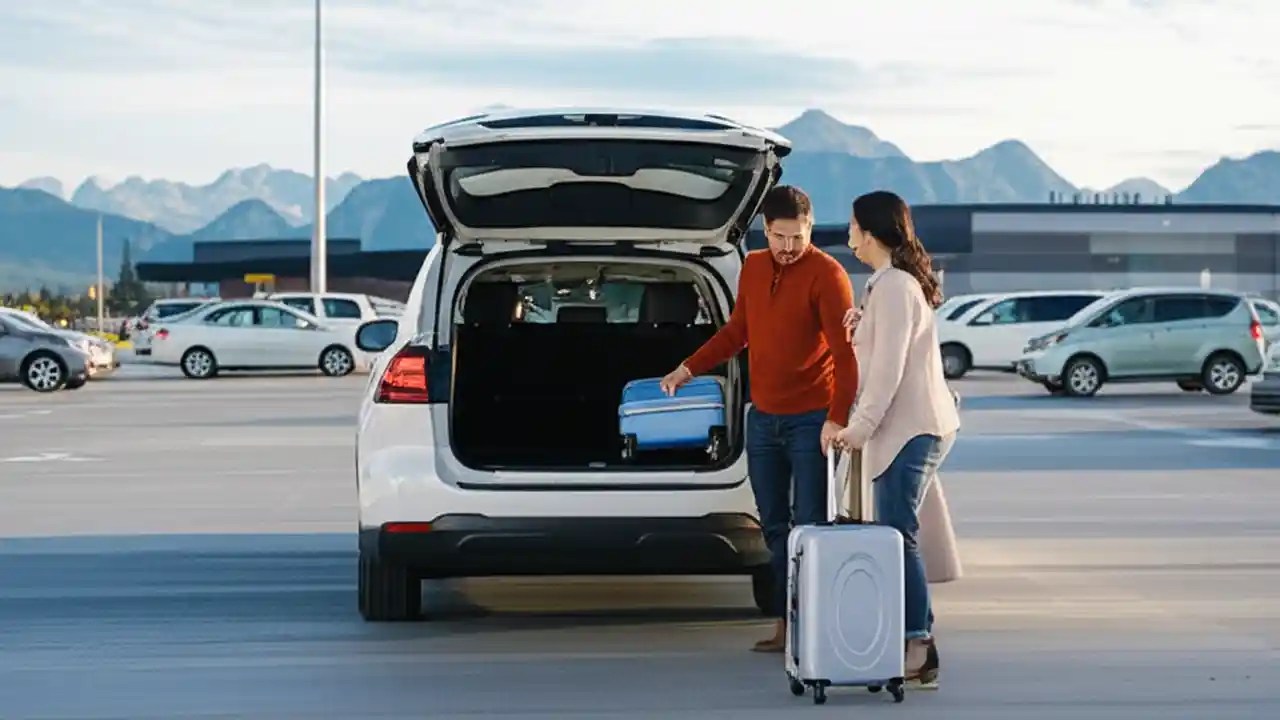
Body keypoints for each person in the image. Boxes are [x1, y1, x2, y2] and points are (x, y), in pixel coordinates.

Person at [659, 185, 858, 653]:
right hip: (763, 419)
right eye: (778, 237)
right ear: (764, 231)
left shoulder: (828, 275)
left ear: (810, 228)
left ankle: (813, 631)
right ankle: (788, 627)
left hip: (811, 420)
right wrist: (687, 368)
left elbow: (847, 358)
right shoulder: (751, 267)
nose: (788, 248)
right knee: (773, 526)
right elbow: (737, 333)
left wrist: (837, 418)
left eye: (798, 237)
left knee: (810, 525)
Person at [833, 190, 960, 687]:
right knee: (895, 533)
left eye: (851, 225)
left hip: (911, 427)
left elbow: (887, 372)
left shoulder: (893, 287)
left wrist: (857, 429)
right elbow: (886, 350)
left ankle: (918, 644)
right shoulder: (887, 285)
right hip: (916, 424)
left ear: (869, 231)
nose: (848, 235)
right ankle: (914, 639)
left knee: (896, 535)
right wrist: (860, 330)